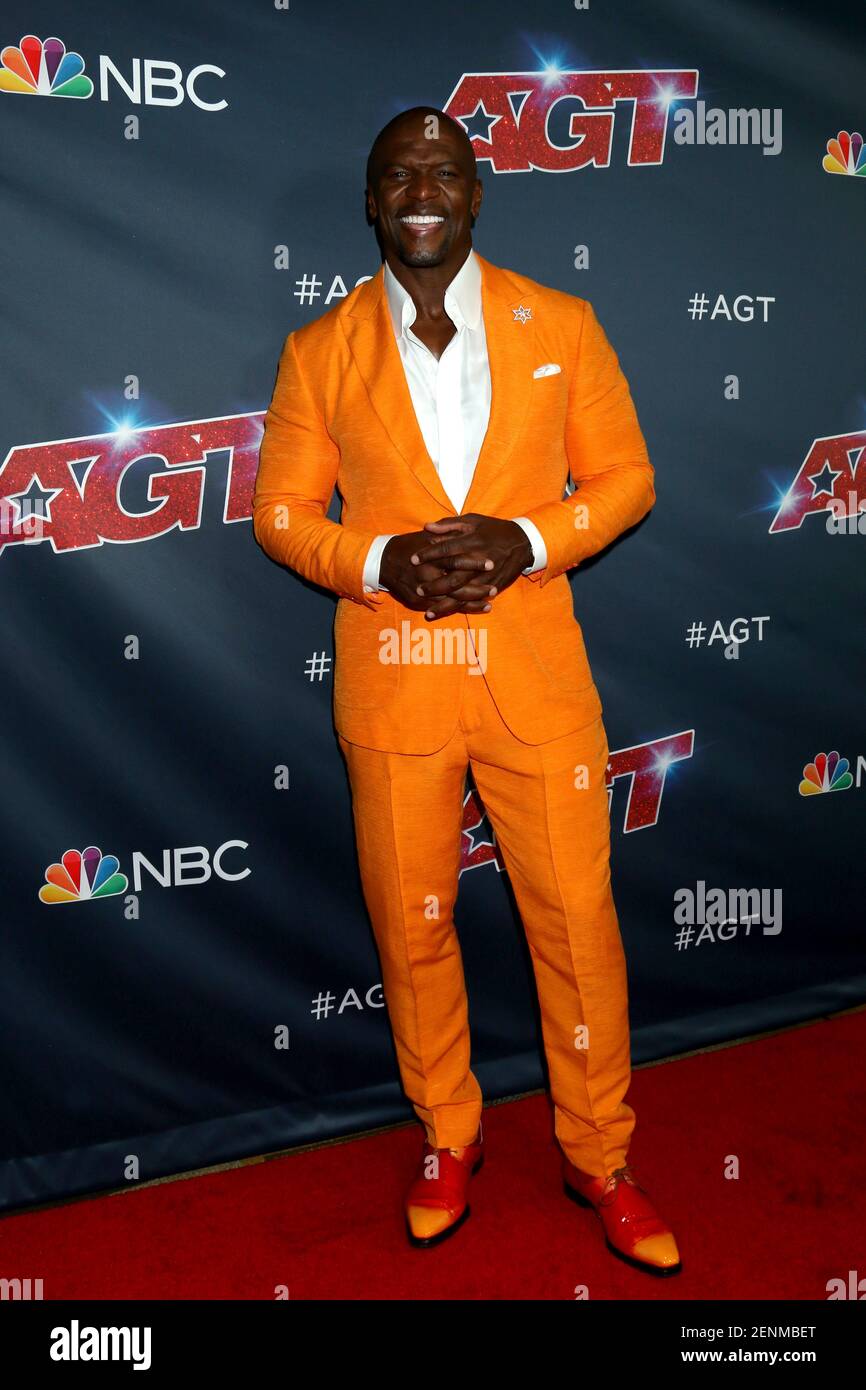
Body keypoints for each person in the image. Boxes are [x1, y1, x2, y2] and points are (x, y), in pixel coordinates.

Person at [252, 105, 680, 1276]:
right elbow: (280, 516)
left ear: (479, 194)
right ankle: (447, 1131)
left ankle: (600, 1153)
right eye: (399, 174)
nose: (422, 190)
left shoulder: (563, 323)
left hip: (534, 683)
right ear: (372, 202)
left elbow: (627, 477)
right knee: (414, 928)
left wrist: (525, 542)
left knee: (577, 929)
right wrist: (381, 559)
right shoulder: (317, 350)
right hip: (395, 682)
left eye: (444, 171)